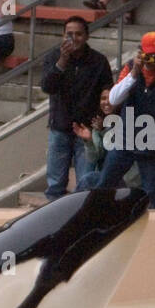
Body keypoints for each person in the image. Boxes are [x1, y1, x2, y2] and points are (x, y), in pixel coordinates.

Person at [86, 31, 155, 209]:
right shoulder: (130, 68)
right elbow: (114, 99)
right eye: (148, 55)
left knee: (152, 195)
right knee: (105, 184)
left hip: (154, 143)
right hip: (126, 138)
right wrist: (135, 73)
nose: (152, 59)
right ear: (140, 53)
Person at [41, 16, 115, 199]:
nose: (74, 38)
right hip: (60, 127)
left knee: (85, 182)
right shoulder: (53, 57)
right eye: (69, 34)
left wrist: (100, 119)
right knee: (55, 183)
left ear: (87, 36)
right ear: (63, 35)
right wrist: (62, 62)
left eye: (79, 34)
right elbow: (47, 87)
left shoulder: (98, 61)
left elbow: (107, 92)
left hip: (86, 131)